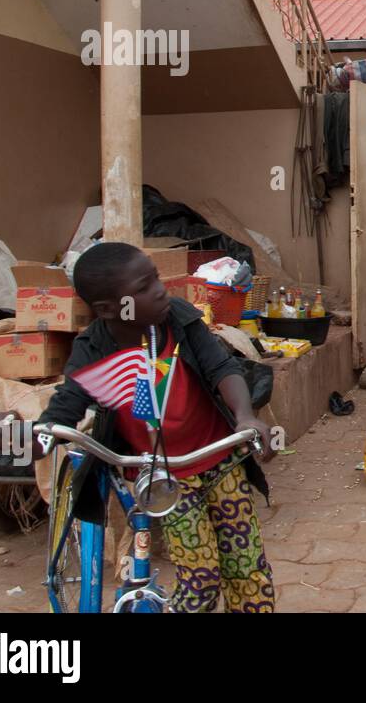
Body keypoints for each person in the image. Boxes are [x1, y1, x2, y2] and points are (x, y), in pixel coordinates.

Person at [34, 243, 276, 613]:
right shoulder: (93, 349)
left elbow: (221, 368)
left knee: (248, 572)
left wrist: (244, 415)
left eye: (156, 278)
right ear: (108, 309)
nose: (160, 289)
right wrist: (37, 435)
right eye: (145, 286)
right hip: (165, 477)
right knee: (201, 582)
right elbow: (66, 406)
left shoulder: (178, 318)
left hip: (219, 458)